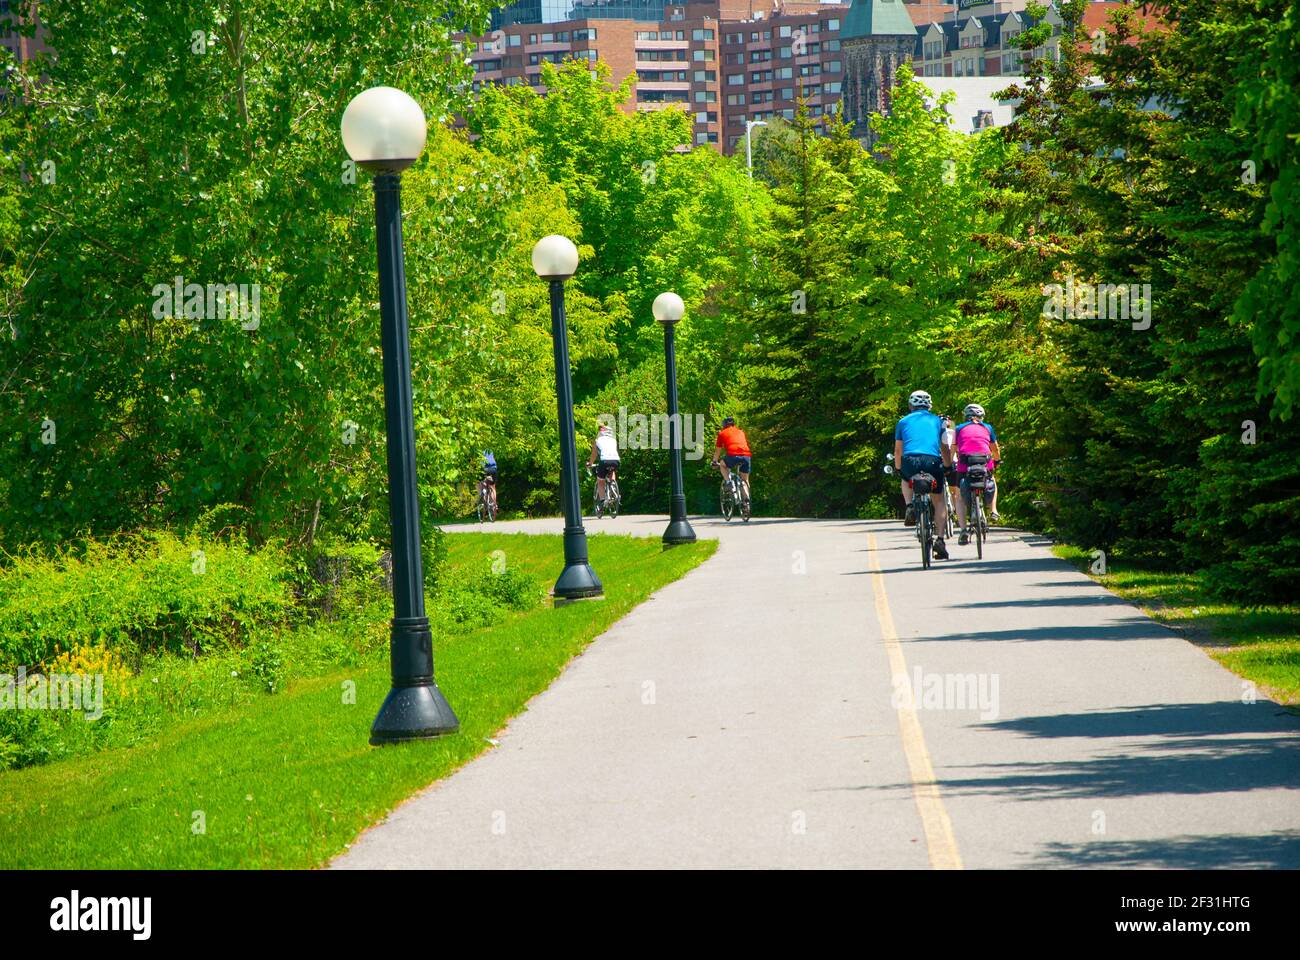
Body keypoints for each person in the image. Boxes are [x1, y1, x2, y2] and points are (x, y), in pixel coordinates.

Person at [893, 390, 952, 560]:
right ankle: (940, 540)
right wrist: (947, 466)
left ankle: (910, 506)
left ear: (911, 406)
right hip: (933, 461)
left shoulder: (903, 422)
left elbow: (898, 450)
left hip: (910, 460)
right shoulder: (938, 421)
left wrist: (899, 469)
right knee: (939, 499)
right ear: (929, 405)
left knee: (904, 477)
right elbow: (944, 448)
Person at [954, 403, 1002, 544]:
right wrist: (997, 460)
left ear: (966, 416)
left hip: (965, 464)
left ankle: (963, 530)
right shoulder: (988, 428)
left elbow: (954, 448)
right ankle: (993, 510)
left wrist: (948, 463)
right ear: (981, 416)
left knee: (958, 495)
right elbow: (995, 448)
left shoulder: (958, 428)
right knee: (991, 479)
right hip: (984, 463)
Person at [711, 416, 752, 504]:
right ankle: (746, 502)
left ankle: (728, 482)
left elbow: (718, 451)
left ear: (724, 425)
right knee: (744, 480)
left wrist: (714, 462)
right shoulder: (741, 431)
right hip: (746, 455)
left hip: (733, 455)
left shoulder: (722, 433)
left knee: (722, 464)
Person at [586, 422, 620, 506]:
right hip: (616, 460)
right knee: (612, 470)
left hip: (604, 461)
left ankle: (602, 500)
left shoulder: (598, 440)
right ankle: (613, 487)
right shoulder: (613, 440)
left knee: (600, 481)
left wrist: (590, 463)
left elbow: (594, 454)